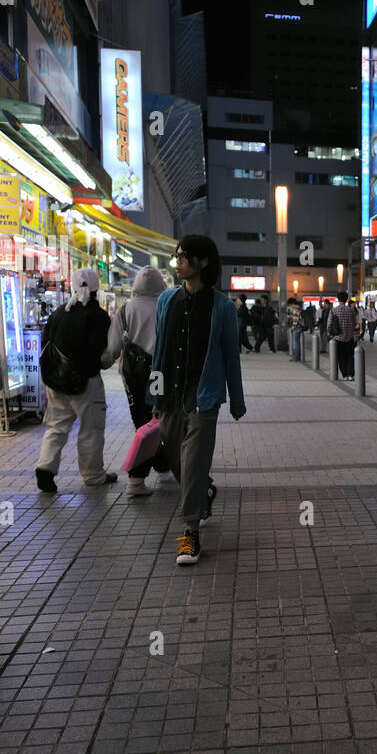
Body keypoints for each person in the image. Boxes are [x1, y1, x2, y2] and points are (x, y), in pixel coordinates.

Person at [151, 235, 246, 566]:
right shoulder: (165, 301)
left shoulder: (222, 308)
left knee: (192, 462)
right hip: (170, 397)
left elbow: (230, 357)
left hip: (203, 398)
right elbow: (159, 353)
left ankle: (189, 534)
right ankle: (203, 492)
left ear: (203, 262)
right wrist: (155, 392)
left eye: (183, 257)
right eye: (176, 256)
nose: (177, 262)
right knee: (180, 462)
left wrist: (237, 400)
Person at [35, 266, 117, 491]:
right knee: (91, 429)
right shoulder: (98, 316)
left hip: (57, 383)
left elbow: (46, 342)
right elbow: (103, 351)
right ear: (96, 288)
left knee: (56, 427)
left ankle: (45, 468)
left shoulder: (59, 313)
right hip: (87, 383)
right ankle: (93, 475)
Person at [103, 266, 170, 495]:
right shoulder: (167, 307)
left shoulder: (125, 310)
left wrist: (101, 364)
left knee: (143, 423)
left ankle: (162, 467)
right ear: (161, 285)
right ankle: (136, 479)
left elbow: (112, 349)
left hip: (133, 377)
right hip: (160, 375)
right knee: (157, 420)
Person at [327, 291, 360, 379]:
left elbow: (329, 324)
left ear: (338, 299)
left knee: (341, 357)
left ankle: (345, 375)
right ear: (346, 300)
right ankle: (351, 375)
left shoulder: (333, 310)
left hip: (338, 338)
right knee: (350, 356)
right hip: (349, 338)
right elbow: (354, 324)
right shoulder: (351, 310)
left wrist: (330, 334)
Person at [287, 297, 305, 361]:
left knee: (295, 343)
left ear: (292, 304)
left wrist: (293, 327)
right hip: (299, 327)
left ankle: (296, 357)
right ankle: (297, 356)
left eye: (290, 305)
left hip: (297, 328)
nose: (290, 307)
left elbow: (296, 320)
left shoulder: (295, 308)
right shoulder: (299, 308)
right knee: (297, 342)